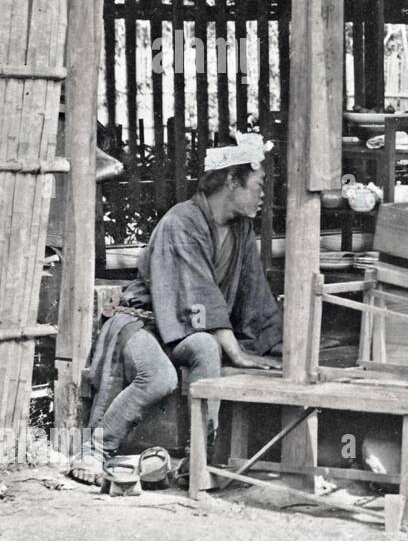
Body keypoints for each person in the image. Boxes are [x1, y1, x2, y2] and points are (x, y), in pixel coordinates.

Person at [70, 133, 283, 485]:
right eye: (258, 184)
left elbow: (254, 292)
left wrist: (275, 343)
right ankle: (95, 449)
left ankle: (198, 460)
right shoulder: (180, 222)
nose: (263, 194)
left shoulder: (242, 230)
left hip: (184, 328)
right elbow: (198, 292)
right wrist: (237, 352)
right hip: (142, 322)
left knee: (205, 346)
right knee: (160, 377)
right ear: (232, 181)